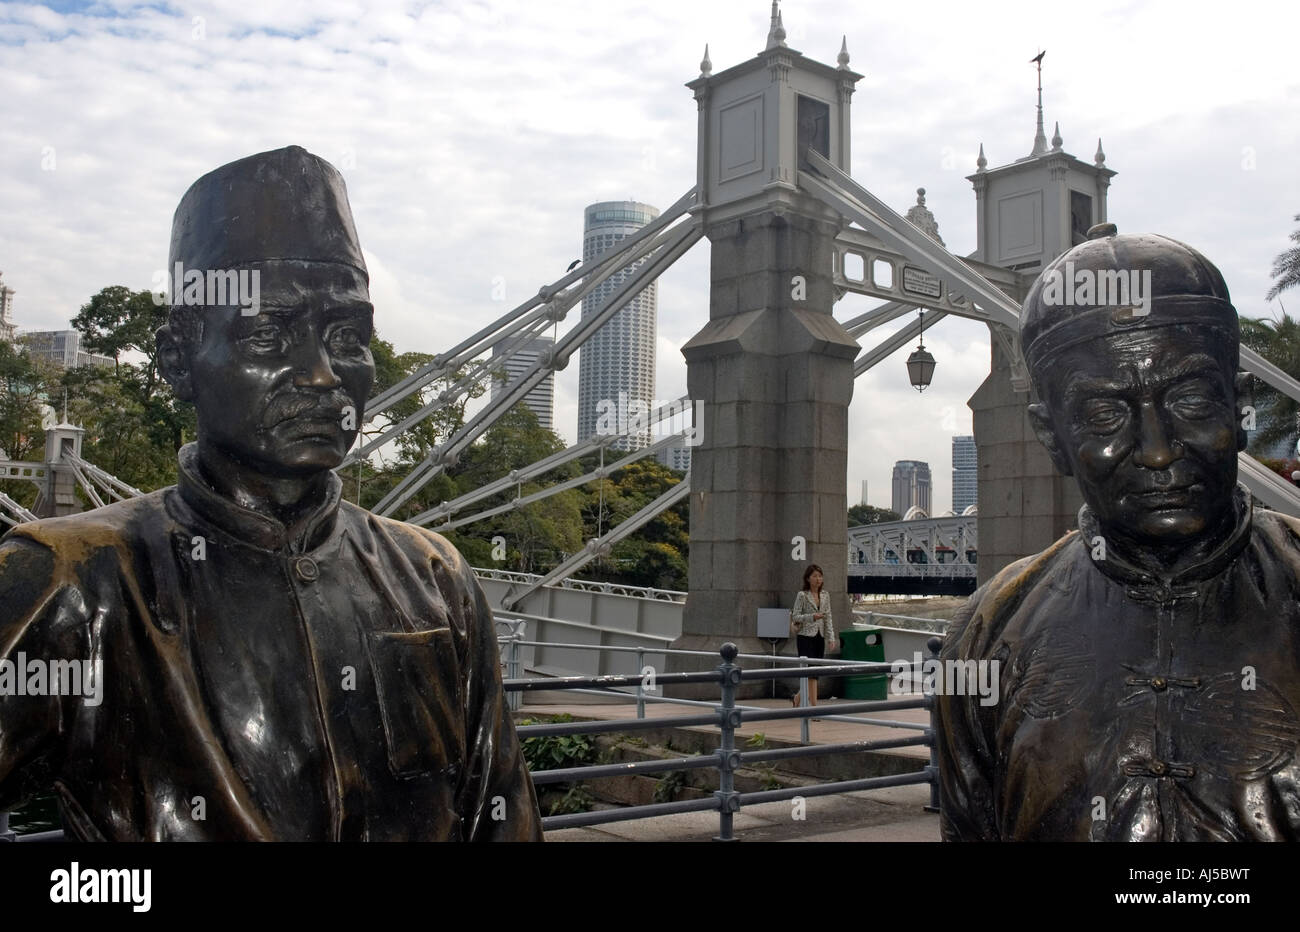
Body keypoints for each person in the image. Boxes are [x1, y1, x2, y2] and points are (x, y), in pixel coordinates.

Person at [0, 146, 543, 841]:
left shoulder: (434, 579)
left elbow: (503, 821)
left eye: (347, 335)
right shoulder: (75, 584)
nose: (321, 375)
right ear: (177, 360)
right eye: (268, 333)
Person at [936, 224, 1300, 841]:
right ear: (1052, 438)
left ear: (1239, 410)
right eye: (1105, 414)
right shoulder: (990, 630)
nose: (1157, 452)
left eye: (1189, 399)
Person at [790, 564, 837, 708]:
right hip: (805, 637)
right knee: (810, 673)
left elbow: (828, 617)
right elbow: (796, 615)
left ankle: (797, 699)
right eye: (815, 576)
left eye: (820, 576)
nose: (818, 579)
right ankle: (814, 708)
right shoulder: (802, 595)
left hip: (819, 637)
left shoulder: (825, 595)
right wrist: (812, 617)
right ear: (808, 578)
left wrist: (831, 637)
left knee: (814, 672)